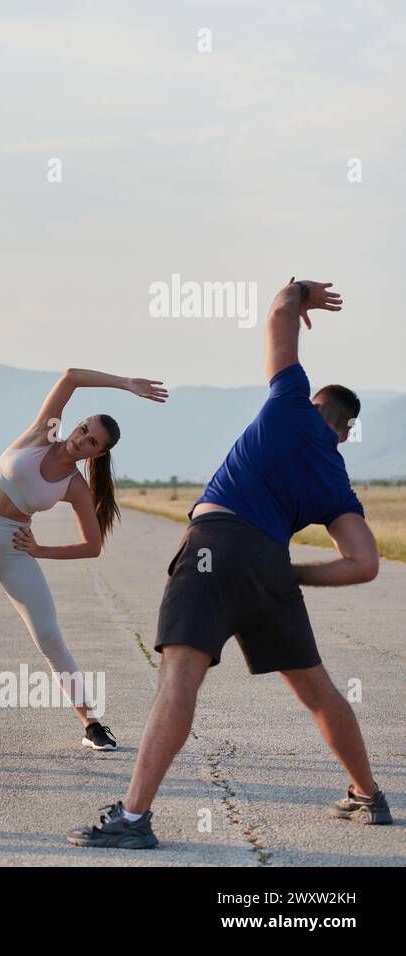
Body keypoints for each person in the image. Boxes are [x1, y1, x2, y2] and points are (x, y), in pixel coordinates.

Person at [68, 278, 390, 851]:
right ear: (344, 433)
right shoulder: (335, 479)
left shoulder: (291, 401)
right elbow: (364, 564)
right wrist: (292, 575)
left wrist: (300, 292)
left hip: (215, 544)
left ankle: (135, 818)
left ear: (318, 407)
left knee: (179, 682)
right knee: (317, 692)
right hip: (268, 563)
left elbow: (278, 316)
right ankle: (368, 796)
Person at [0, 368, 168, 758]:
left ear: (97, 454)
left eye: (91, 441)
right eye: (83, 428)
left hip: (14, 552)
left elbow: (93, 546)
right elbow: (70, 377)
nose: (81, 438)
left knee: (51, 639)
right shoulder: (42, 433)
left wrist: (41, 550)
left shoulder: (74, 486)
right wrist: (126, 384)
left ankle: (91, 724)